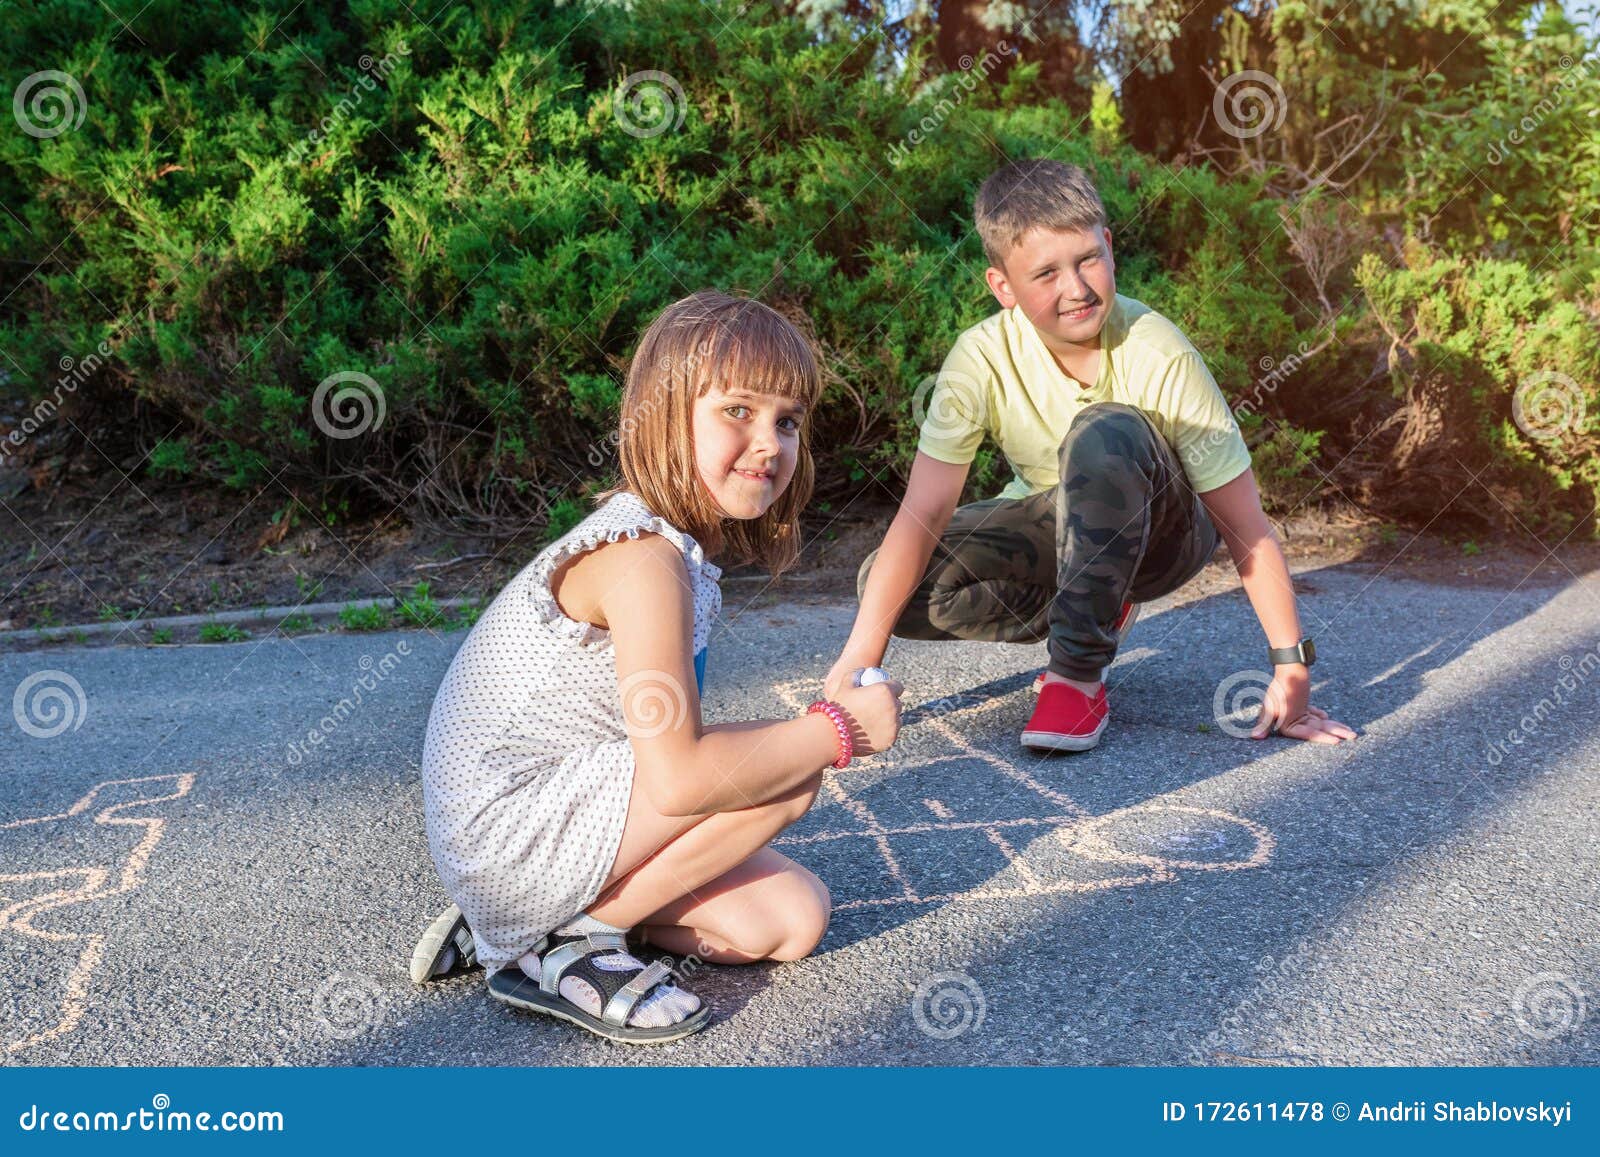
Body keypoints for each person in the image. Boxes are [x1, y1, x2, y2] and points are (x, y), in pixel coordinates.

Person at [411, 291, 903, 1043]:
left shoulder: (677, 553)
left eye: (787, 420)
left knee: (791, 917)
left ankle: (518, 927)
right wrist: (839, 728)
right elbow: (680, 777)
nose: (768, 442)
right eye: (737, 410)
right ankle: (565, 940)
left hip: (537, 822)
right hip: (508, 829)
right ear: (667, 414)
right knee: (792, 765)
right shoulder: (643, 560)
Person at [826, 158, 1354, 752]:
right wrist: (856, 665)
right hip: (1060, 527)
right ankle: (1095, 611)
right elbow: (922, 513)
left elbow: (1245, 524)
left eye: (1086, 260)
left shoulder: (1157, 349)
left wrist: (1291, 665)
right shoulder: (977, 358)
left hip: (1164, 536)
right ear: (1003, 287)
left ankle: (1076, 674)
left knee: (1102, 430)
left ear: (1108, 245)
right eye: (1045, 273)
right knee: (890, 583)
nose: (1075, 288)